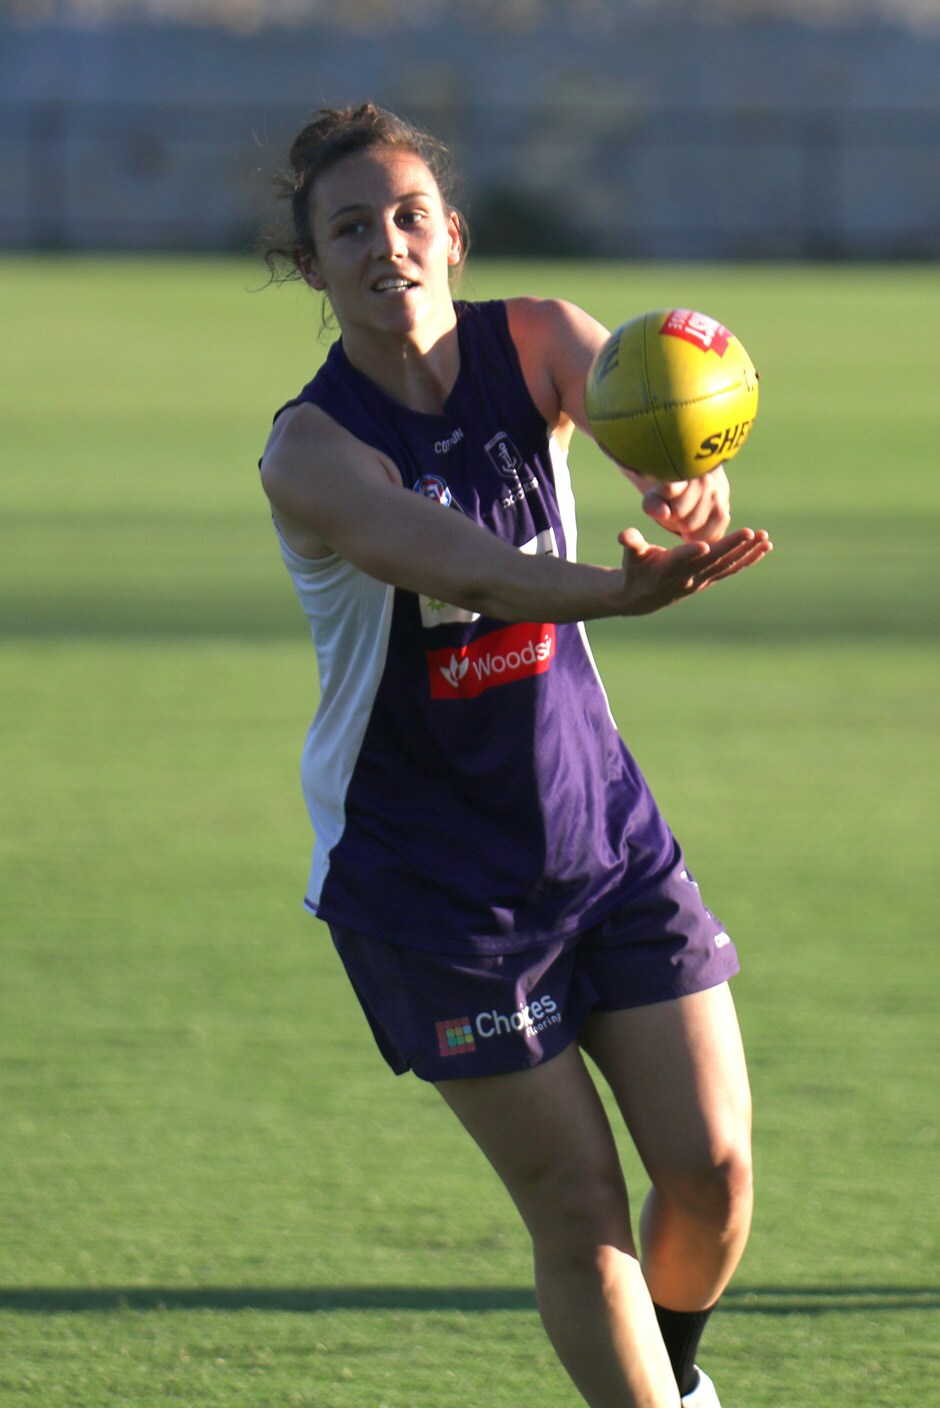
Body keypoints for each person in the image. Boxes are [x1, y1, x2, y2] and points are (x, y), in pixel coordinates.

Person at [258, 102, 772, 1408]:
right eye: (351, 228)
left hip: (597, 831)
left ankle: (680, 1381)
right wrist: (618, 592)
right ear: (314, 268)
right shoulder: (313, 453)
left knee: (712, 1172)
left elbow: (639, 410)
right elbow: (470, 568)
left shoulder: (535, 336)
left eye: (412, 215)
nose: (390, 244)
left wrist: (682, 483)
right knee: (579, 1202)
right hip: (432, 880)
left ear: (453, 234)